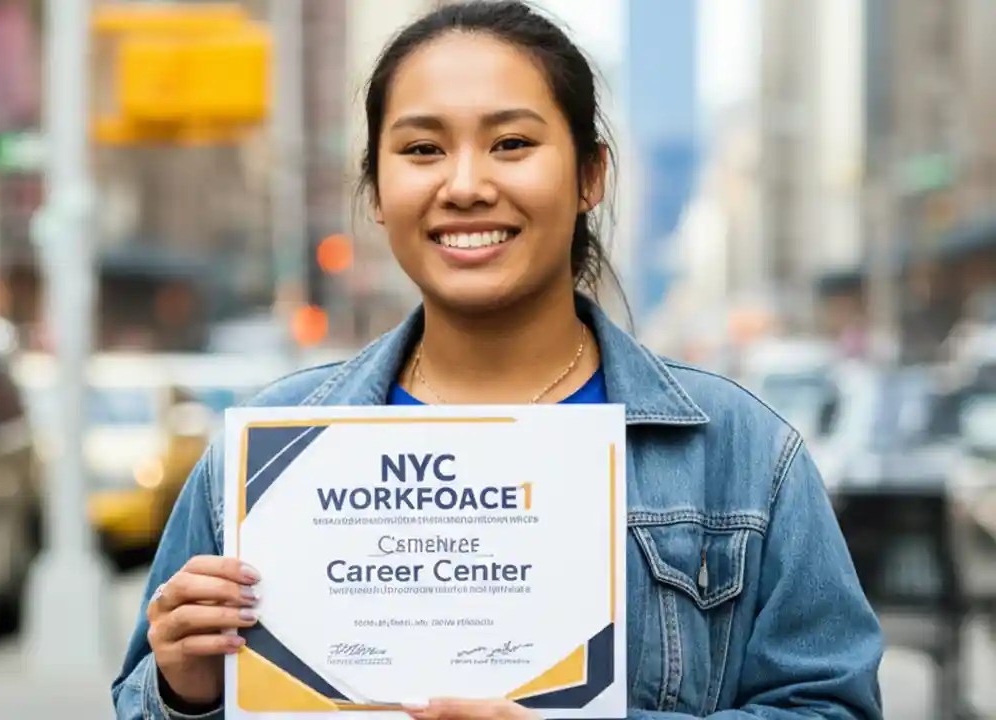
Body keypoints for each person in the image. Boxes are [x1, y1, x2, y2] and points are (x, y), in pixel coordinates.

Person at [111, 1, 884, 717]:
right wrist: (186, 689)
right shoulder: (263, 452)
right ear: (376, 190)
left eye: (511, 144)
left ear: (589, 176)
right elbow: (141, 700)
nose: (466, 185)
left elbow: (830, 705)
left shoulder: (742, 455)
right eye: (422, 149)